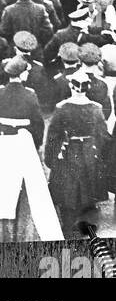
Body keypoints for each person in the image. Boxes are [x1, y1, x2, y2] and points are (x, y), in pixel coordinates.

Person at [44, 71, 110, 235]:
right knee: (89, 198)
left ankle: (68, 232)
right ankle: (87, 235)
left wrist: (50, 160)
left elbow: (53, 137)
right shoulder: (96, 108)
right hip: (90, 156)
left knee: (68, 198)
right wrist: (101, 161)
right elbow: (102, 137)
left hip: (68, 155)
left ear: (71, 86)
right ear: (87, 88)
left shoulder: (62, 108)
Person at [0, 58, 45, 147]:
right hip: (25, 140)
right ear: (22, 74)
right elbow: (38, 123)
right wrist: (36, 143)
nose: (28, 74)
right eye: (26, 72)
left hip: (3, 138)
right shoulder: (30, 94)